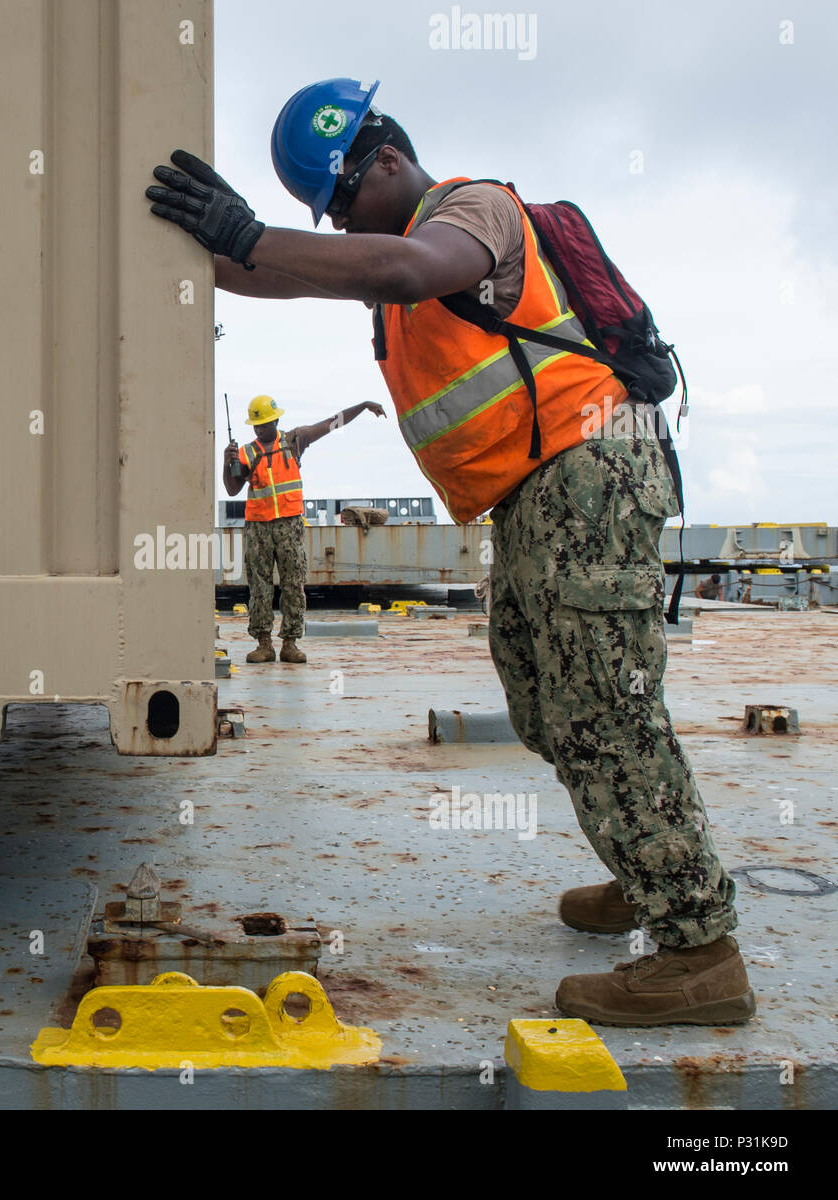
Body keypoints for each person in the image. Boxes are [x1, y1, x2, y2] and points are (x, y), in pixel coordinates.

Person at [146, 78, 753, 1027]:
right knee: (546, 704)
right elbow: (292, 274)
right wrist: (208, 242)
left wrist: (253, 232)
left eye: (345, 200)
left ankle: (699, 948)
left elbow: (398, 267)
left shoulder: (469, 211)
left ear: (386, 157)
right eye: (331, 214)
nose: (342, 224)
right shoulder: (386, 262)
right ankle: (649, 864)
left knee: (601, 706)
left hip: (590, 470)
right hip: (532, 499)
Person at [225, 394, 386, 664]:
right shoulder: (246, 452)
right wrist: (226, 462)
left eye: (264, 423)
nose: (259, 429)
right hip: (258, 527)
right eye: (256, 425)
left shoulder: (295, 440)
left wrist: (363, 406)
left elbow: (332, 423)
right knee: (259, 587)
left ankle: (290, 643)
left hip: (289, 524)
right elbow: (232, 489)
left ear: (276, 420)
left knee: (293, 584)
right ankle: (264, 644)